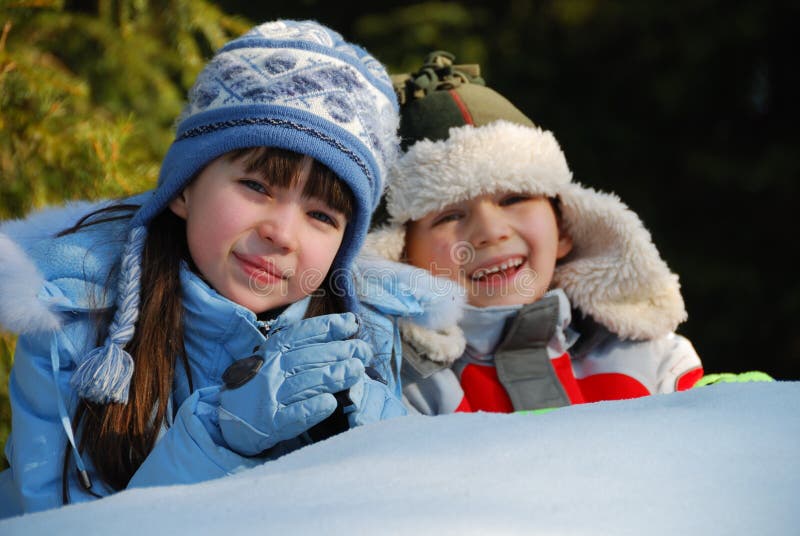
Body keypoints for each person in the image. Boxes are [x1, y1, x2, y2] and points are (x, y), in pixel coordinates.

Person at [0, 20, 411, 516]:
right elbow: (62, 524)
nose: (281, 233)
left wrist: (374, 434)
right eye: (257, 186)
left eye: (321, 215)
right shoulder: (76, 322)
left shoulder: (366, 339)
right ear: (183, 187)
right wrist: (221, 437)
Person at [365, 52, 704, 414]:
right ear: (401, 255)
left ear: (564, 228)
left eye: (514, 197)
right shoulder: (401, 393)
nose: (490, 232)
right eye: (449, 215)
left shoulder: (652, 359)